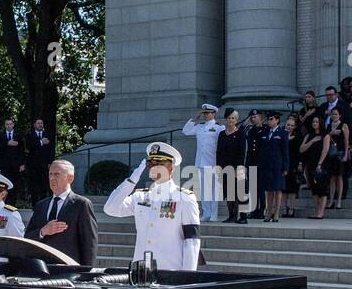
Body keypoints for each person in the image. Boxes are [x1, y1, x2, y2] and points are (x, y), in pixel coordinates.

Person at [103, 141, 202, 271]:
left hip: (170, 269)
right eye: (151, 164)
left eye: (160, 164)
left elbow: (191, 241)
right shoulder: (140, 197)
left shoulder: (185, 198)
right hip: (141, 270)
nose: (154, 167)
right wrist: (131, 181)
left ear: (171, 167)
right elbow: (110, 208)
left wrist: (187, 277)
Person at [23, 159, 98, 265]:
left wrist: (87, 272)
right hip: (42, 267)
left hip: (68, 268)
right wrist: (43, 231)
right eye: (50, 174)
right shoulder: (41, 205)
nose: (52, 178)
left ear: (70, 178)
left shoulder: (81, 204)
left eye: (57, 174)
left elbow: (89, 242)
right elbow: (27, 237)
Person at [182, 103, 223, 221]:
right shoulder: (199, 127)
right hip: (201, 162)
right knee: (204, 190)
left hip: (213, 161)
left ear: (213, 114)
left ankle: (214, 214)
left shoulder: (219, 127)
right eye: (204, 113)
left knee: (214, 190)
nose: (205, 115)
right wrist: (195, 119)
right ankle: (206, 213)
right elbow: (185, 131)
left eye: (208, 113)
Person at [215, 108, 248, 223]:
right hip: (225, 167)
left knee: (240, 192)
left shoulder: (240, 134)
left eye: (233, 118)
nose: (230, 120)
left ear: (236, 120)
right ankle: (232, 215)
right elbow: (219, 151)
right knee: (229, 192)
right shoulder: (222, 134)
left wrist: (239, 167)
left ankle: (243, 217)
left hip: (237, 167)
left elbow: (242, 152)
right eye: (228, 118)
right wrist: (218, 166)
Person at [257, 111, 289, 222]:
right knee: (269, 189)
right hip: (267, 165)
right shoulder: (266, 132)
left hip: (278, 165)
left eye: (271, 119)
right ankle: (269, 211)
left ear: (277, 120)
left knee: (277, 189)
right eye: (268, 119)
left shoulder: (282, 133)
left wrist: (286, 167)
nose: (269, 121)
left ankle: (276, 212)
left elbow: (285, 151)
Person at [301, 116, 330, 218]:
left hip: (321, 164)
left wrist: (320, 163)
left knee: (322, 189)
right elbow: (302, 149)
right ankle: (316, 211)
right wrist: (312, 141)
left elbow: (325, 149)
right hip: (310, 163)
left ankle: (320, 213)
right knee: (314, 190)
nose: (314, 123)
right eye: (313, 122)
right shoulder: (309, 135)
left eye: (316, 122)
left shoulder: (325, 135)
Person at [0, 119, 26, 204]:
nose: (9, 126)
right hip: (4, 165)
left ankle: (12, 204)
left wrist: (23, 164)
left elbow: (22, 150)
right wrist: (7, 143)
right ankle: (4, 203)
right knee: (4, 185)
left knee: (14, 185)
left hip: (16, 165)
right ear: (5, 125)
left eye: (10, 124)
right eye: (7, 124)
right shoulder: (1, 135)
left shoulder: (18, 135)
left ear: (13, 125)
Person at [324, 106, 349, 210]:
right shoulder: (328, 126)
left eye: (336, 114)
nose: (334, 116)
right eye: (332, 114)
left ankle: (339, 201)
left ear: (340, 115)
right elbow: (324, 137)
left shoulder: (344, 125)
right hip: (331, 154)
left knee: (339, 177)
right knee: (332, 178)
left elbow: (346, 140)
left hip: (340, 152)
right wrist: (331, 133)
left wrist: (346, 154)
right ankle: (331, 201)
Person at [25, 118, 54, 203]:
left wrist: (50, 162)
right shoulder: (30, 135)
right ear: (34, 125)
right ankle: (35, 205)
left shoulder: (47, 134)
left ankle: (44, 204)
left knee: (44, 185)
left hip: (44, 164)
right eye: (38, 123)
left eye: (41, 123)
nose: (40, 125)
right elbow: (29, 146)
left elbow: (51, 150)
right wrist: (41, 142)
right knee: (34, 185)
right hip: (33, 164)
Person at [282, 114, 303, 219]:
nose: (289, 127)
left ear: (294, 127)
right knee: (284, 188)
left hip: (293, 164)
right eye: (288, 125)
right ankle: (285, 208)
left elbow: (299, 152)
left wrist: (300, 163)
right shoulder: (282, 136)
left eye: (291, 125)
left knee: (292, 188)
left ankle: (291, 208)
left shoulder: (297, 137)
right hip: (283, 165)